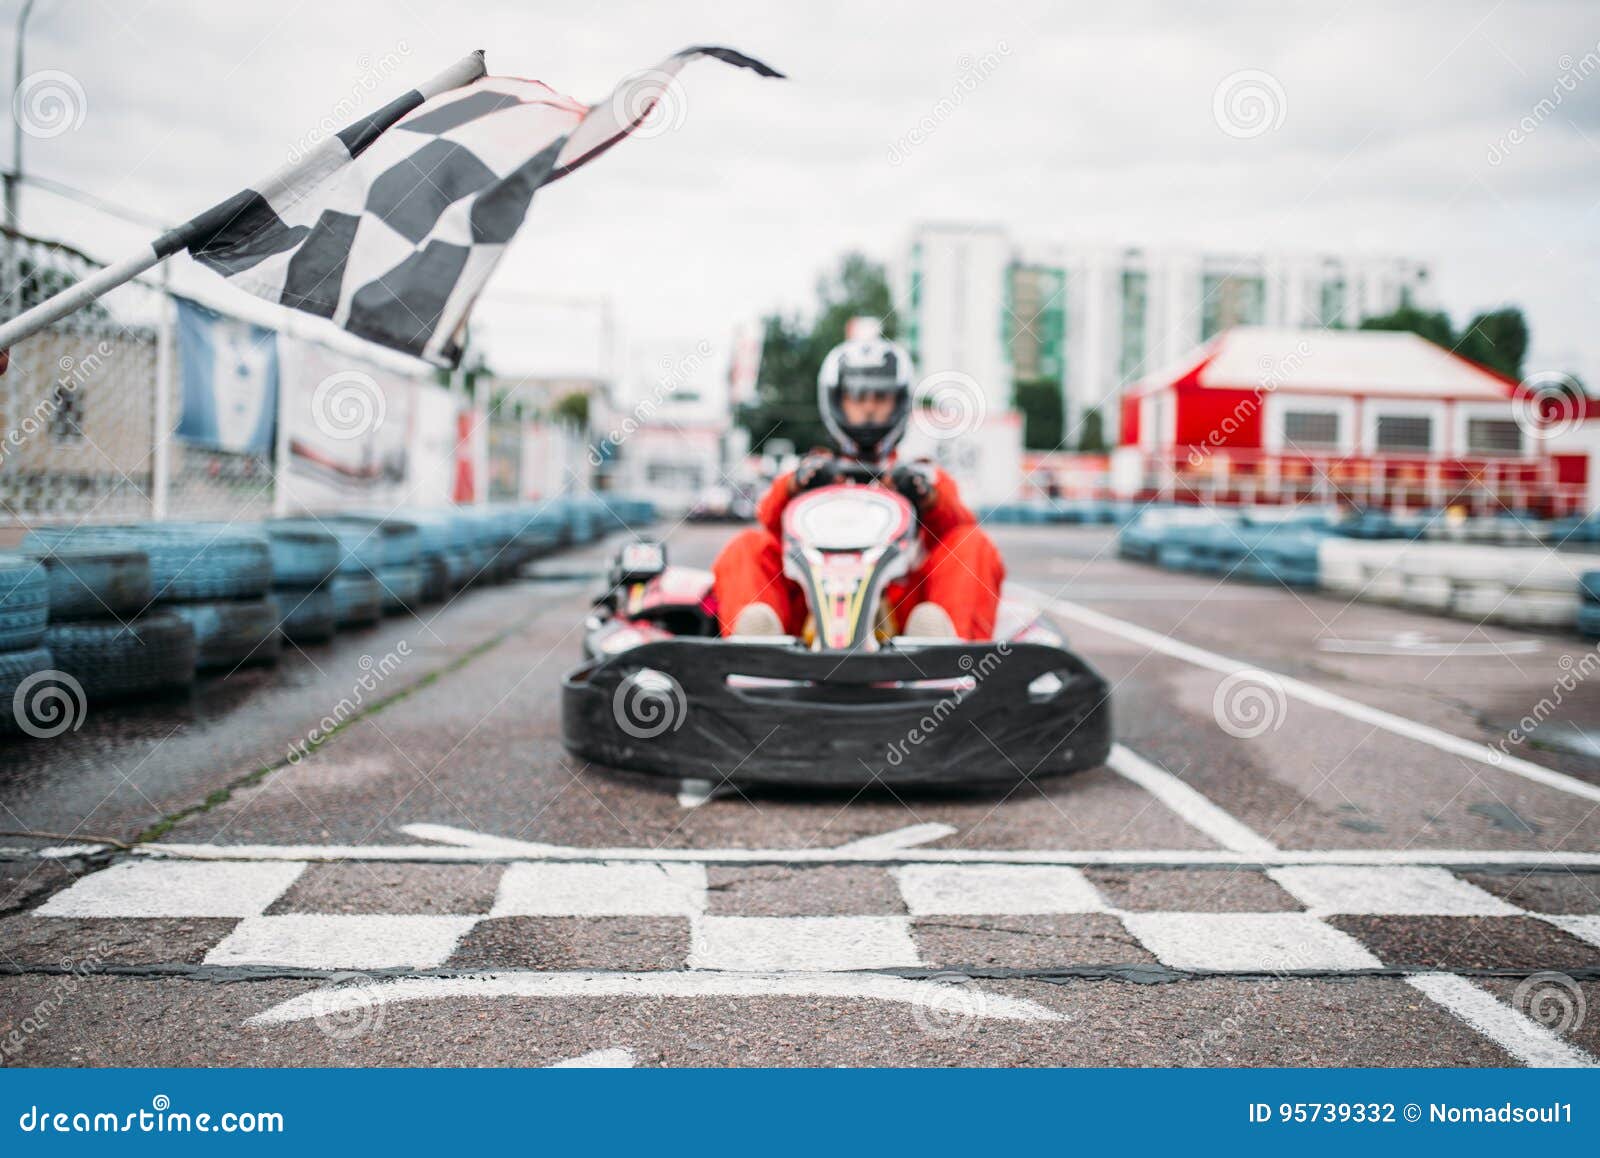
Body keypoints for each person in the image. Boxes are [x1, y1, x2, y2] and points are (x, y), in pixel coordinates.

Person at [711, 336, 1004, 640]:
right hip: (812, 607)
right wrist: (796, 487)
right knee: (747, 545)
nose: (869, 408)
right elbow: (769, 521)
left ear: (899, 403)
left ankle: (946, 651)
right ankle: (757, 646)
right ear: (837, 401)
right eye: (858, 397)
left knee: (971, 544)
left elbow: (958, 525)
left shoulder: (922, 474)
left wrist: (927, 498)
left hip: (901, 610)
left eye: (880, 398)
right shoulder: (810, 469)